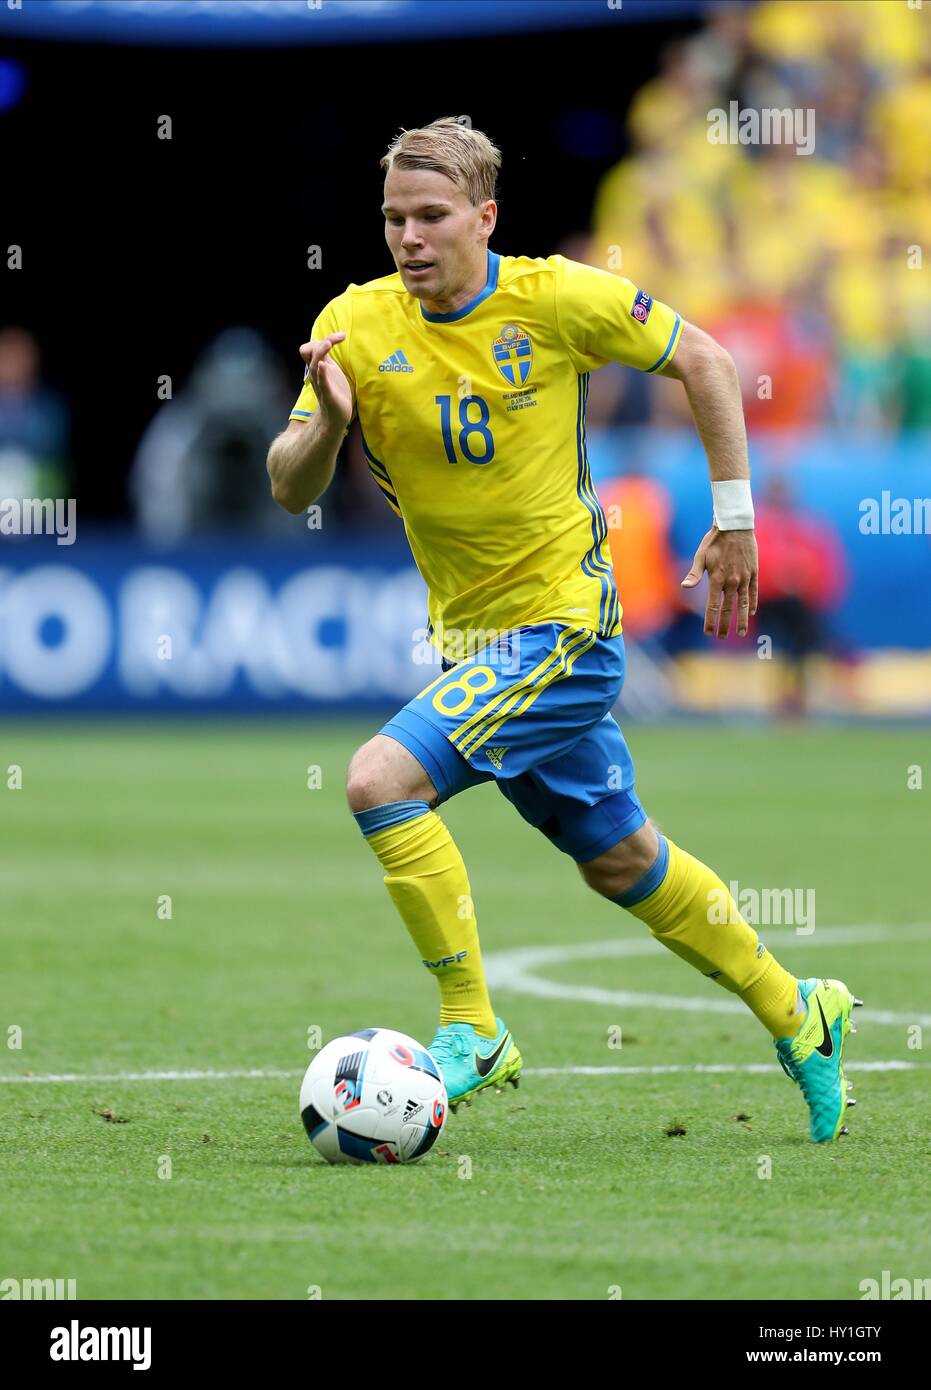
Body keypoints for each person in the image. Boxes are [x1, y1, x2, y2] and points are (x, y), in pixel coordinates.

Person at [267, 118, 860, 1144]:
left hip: (562, 634)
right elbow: (288, 485)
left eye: (432, 216)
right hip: (471, 644)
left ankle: (473, 1026)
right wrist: (324, 418)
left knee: (377, 780)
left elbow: (709, 363)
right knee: (622, 860)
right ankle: (799, 1012)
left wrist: (734, 522)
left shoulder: (553, 299)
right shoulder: (353, 325)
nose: (408, 237)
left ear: (484, 217)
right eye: (393, 218)